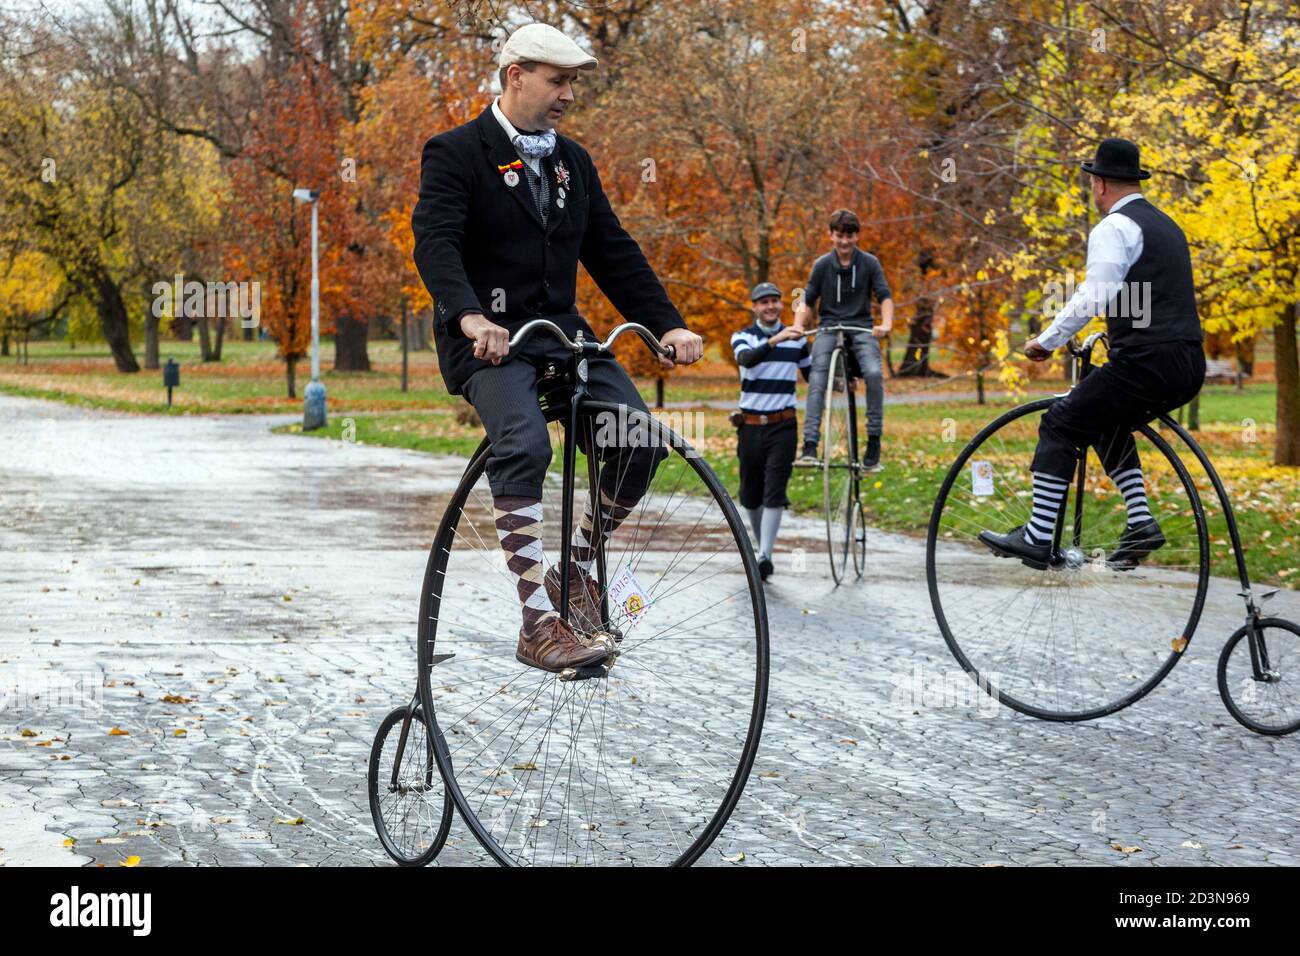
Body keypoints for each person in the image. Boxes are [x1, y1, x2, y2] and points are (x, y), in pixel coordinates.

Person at [411, 23, 703, 672]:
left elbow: (612, 250)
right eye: (558, 80)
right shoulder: (456, 152)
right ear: (516, 75)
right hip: (490, 342)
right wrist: (466, 316)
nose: (568, 94)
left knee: (638, 438)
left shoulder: (573, 161)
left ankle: (573, 570)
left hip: (562, 338)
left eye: (573, 82)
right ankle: (537, 624)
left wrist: (667, 323)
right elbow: (435, 243)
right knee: (524, 444)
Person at [979, 138, 1205, 569]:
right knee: (1101, 417)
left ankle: (1038, 535)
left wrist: (1046, 340)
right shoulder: (1167, 226)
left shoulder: (1113, 228)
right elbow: (1148, 296)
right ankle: (1140, 521)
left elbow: (1094, 294)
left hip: (1147, 363)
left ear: (1099, 184)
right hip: (1187, 364)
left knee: (1060, 421)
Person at [795, 209, 895, 471]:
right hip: (829, 327)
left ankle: (873, 442)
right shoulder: (821, 265)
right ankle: (809, 445)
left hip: (861, 327)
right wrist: (797, 325)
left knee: (874, 373)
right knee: (817, 377)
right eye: (839, 236)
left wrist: (886, 324)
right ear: (831, 235)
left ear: (856, 236)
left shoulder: (870, 263)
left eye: (849, 236)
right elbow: (807, 300)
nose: (844, 242)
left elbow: (884, 295)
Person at [731, 282, 811, 582]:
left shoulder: (797, 340)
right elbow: (746, 359)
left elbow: (812, 375)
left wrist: (843, 379)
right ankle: (759, 545)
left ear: (781, 305)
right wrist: (777, 339)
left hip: (784, 424)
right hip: (750, 425)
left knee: (775, 490)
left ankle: (764, 554)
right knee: (750, 494)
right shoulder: (742, 337)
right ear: (755, 307)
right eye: (764, 302)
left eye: (775, 301)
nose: (771, 306)